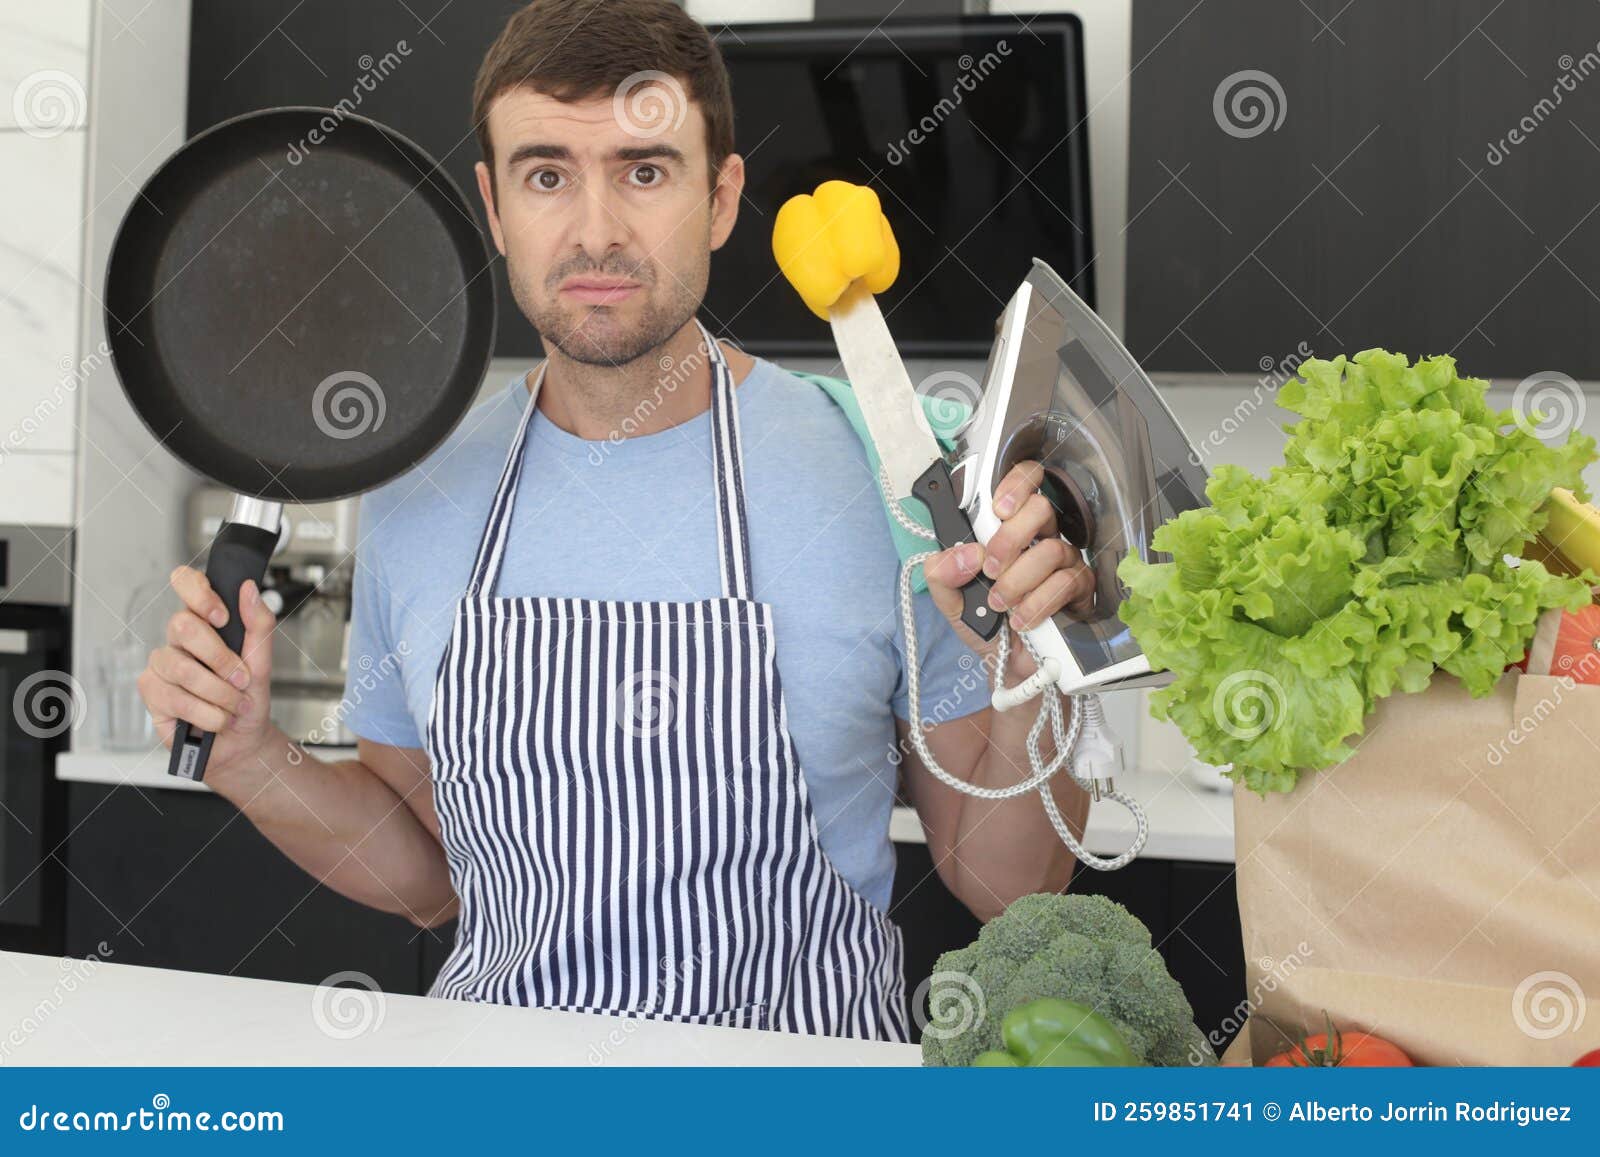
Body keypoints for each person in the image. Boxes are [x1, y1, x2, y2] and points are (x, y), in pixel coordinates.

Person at [138, 0, 1095, 1042]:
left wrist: (1032, 666)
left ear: (721, 197)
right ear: (495, 207)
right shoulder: (420, 491)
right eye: (547, 175)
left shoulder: (889, 477)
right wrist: (249, 755)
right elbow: (428, 880)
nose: (595, 230)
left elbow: (1002, 882)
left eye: (645, 171)